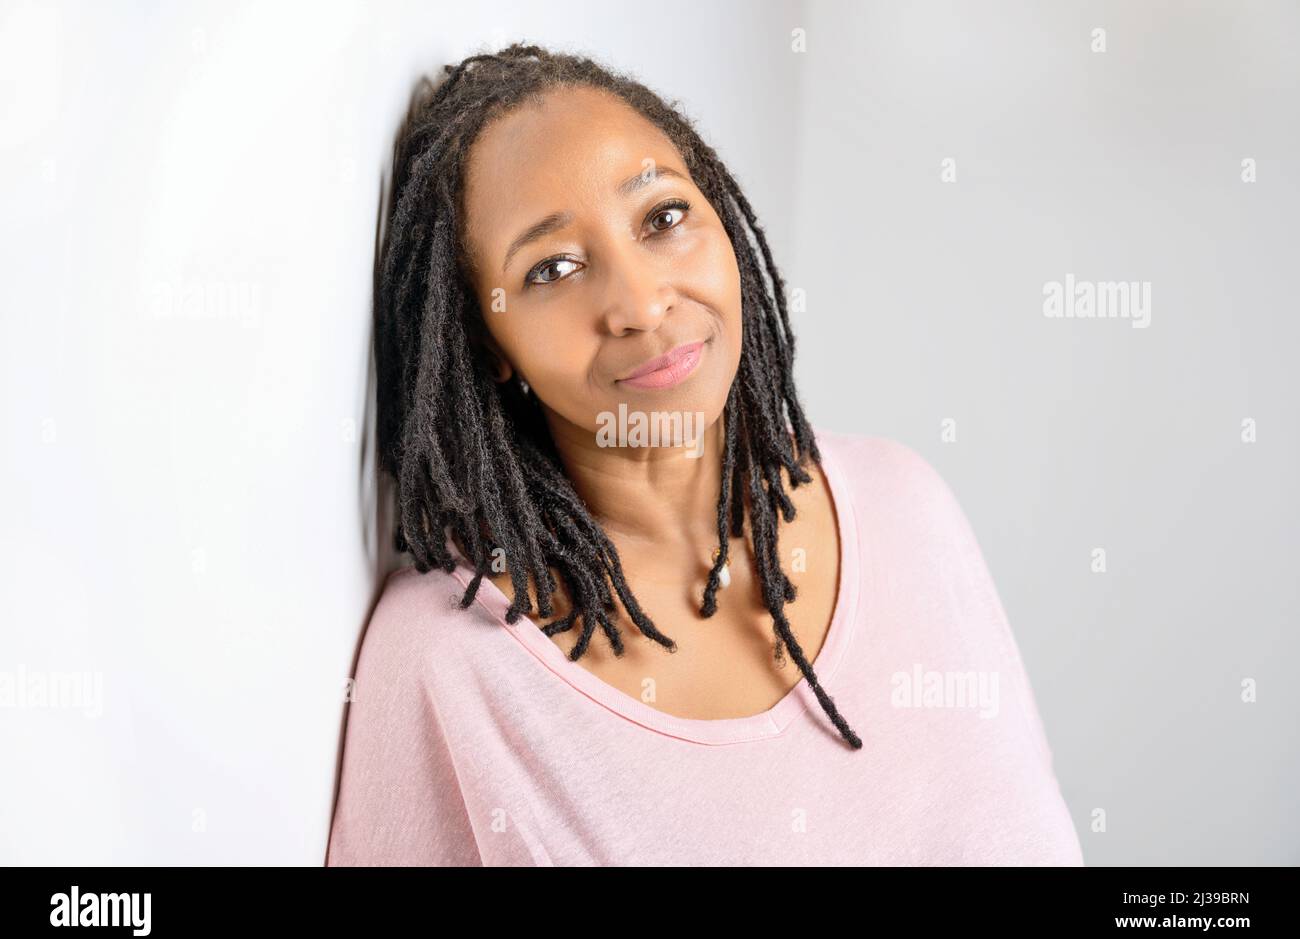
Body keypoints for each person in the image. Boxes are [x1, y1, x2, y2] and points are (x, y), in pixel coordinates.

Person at [325, 43, 1084, 866]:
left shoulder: (906, 507)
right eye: (554, 268)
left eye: (662, 217)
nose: (641, 302)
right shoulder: (450, 662)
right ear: (486, 339)